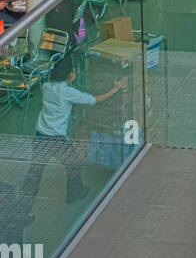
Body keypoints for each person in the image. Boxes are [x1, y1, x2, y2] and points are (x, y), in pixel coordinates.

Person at [20, 57, 123, 209]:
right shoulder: (67, 92)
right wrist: (114, 90)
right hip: (57, 138)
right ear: (71, 74)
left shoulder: (45, 86)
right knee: (73, 165)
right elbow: (93, 100)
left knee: (34, 172)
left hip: (40, 133)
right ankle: (74, 194)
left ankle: (22, 207)